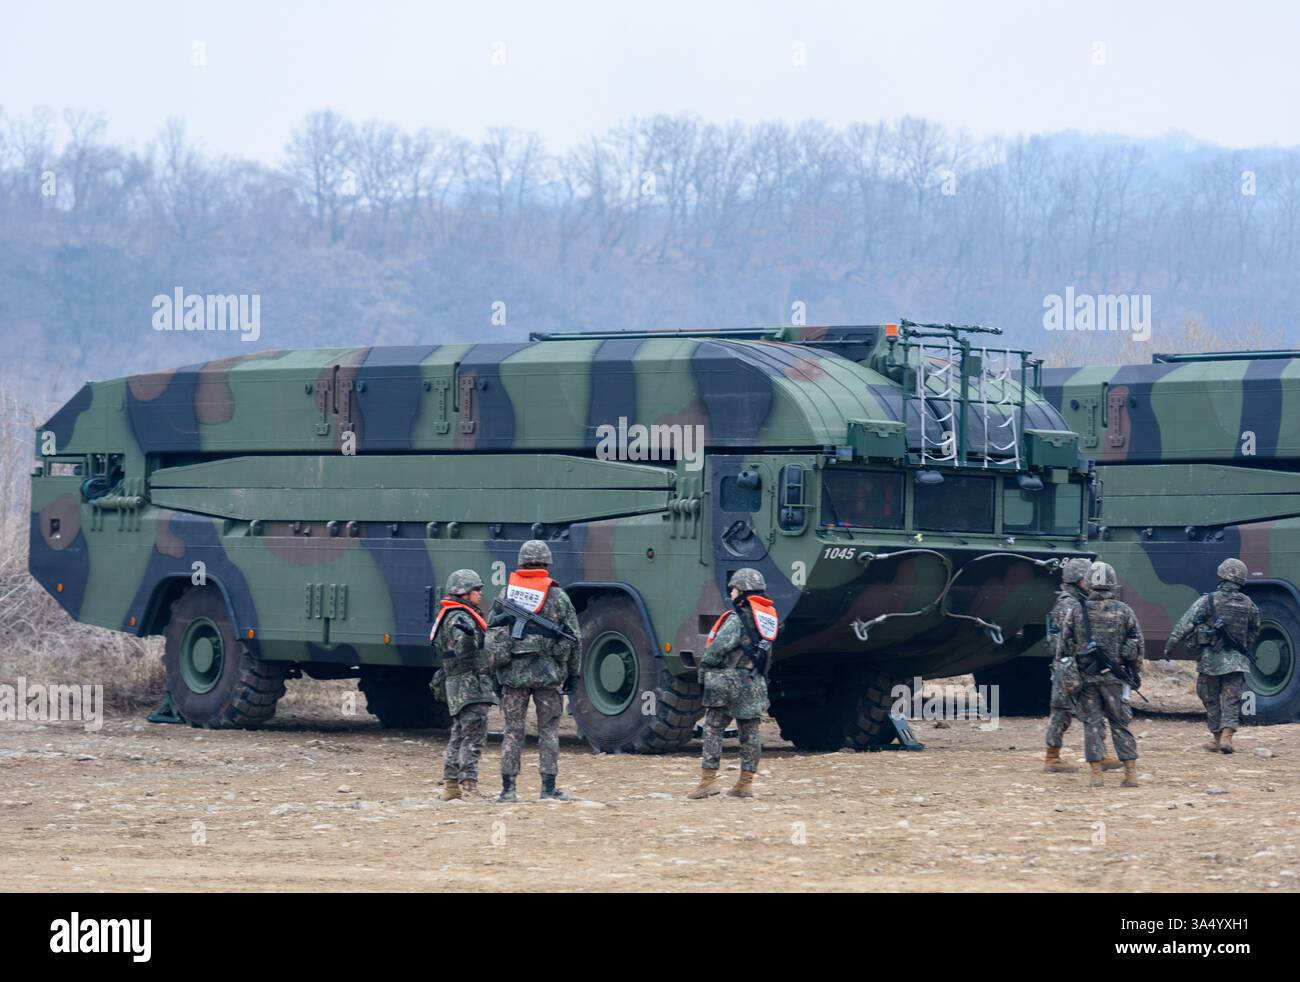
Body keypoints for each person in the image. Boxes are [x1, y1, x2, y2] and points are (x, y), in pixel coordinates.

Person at [487, 540, 581, 802]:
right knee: (549, 731)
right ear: (547, 563)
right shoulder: (558, 596)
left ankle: (508, 789)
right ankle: (548, 788)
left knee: (512, 731)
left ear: (521, 562)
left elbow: (492, 634)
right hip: (548, 675)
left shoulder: (507, 594)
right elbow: (575, 638)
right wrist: (573, 674)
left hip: (513, 675)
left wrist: (495, 672)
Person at [688, 568, 778, 800]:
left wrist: (706, 666)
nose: (732, 592)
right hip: (754, 681)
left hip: (729, 681)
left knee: (713, 728)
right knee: (750, 732)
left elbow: (718, 648)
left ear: (743, 590)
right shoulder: (767, 618)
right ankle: (745, 784)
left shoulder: (737, 618)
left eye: (734, 588)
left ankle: (708, 781)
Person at [1058, 561, 1144, 788]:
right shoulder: (1124, 611)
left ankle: (1096, 774)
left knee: (1092, 725)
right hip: (1115, 680)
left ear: (1088, 583)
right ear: (1113, 583)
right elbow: (1136, 647)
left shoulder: (1077, 611)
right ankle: (1130, 774)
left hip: (1086, 681)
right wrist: (1134, 673)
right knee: (1120, 723)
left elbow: (1063, 648)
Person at [1165, 558, 1259, 754]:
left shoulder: (1208, 601)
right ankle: (1227, 737)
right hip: (1237, 661)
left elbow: (1186, 623)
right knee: (1231, 699)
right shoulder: (1249, 604)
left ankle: (1217, 736)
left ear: (1221, 575)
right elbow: (1254, 631)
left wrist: (1171, 645)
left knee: (1209, 695)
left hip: (1211, 661)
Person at [429, 569, 497, 800]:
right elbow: (464, 651)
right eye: (476, 590)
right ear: (464, 594)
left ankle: (451, 786)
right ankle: (468, 785)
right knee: (473, 734)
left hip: (461, 684)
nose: (480, 593)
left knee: (459, 733)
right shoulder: (461, 617)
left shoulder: (455, 614)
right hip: (471, 684)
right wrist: (469, 637)